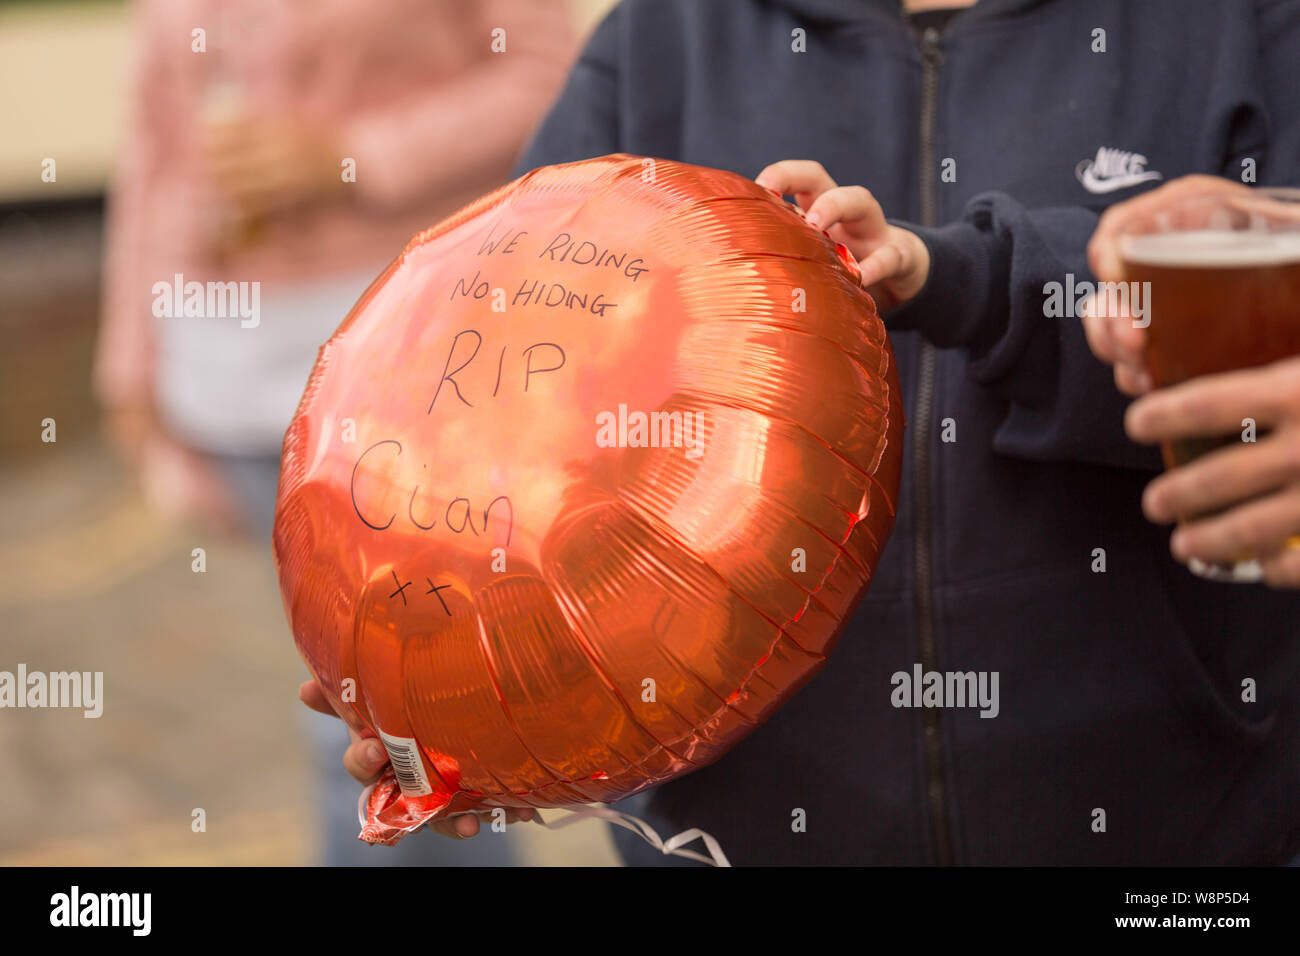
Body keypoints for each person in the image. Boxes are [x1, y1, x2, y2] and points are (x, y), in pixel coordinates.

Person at [309, 0, 1300, 864]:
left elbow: (1259, 370)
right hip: (746, 835)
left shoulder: (1240, 24)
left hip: (1171, 833)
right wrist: (445, 689)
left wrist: (984, 285)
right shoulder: (663, 36)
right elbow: (499, 380)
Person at [98, 0, 576, 864]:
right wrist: (130, 375)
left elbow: (546, 76)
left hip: (405, 364)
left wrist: (351, 159)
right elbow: (153, 149)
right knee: (362, 722)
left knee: (410, 726)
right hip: (227, 386)